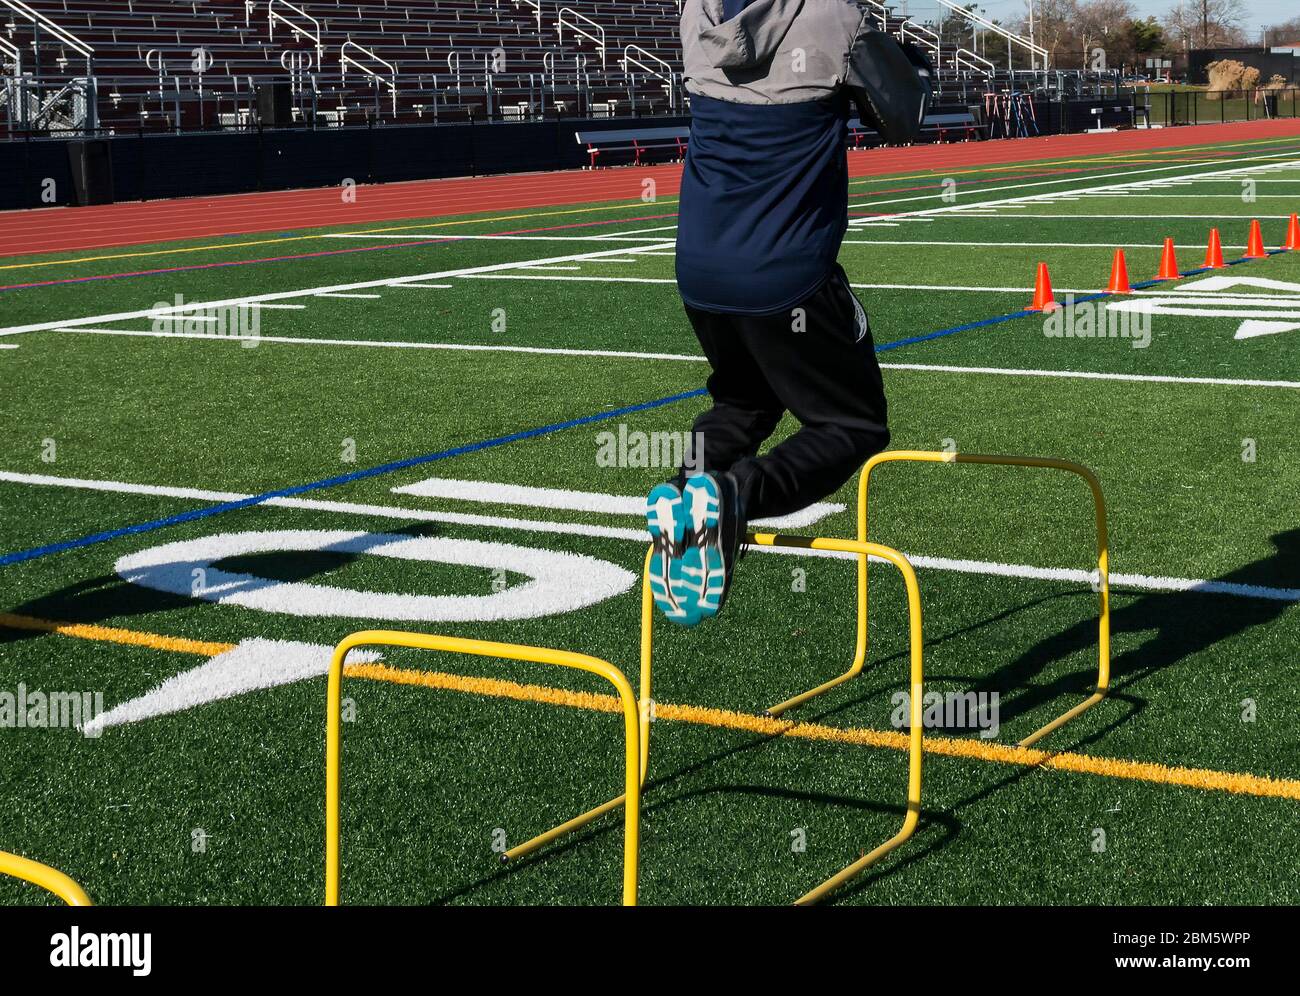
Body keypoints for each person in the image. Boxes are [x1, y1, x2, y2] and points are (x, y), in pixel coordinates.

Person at [645, 0, 932, 625]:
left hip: (700, 266)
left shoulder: (698, 16)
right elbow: (904, 117)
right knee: (853, 426)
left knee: (743, 403)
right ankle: (730, 496)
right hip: (785, 274)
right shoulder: (837, 20)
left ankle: (685, 493)